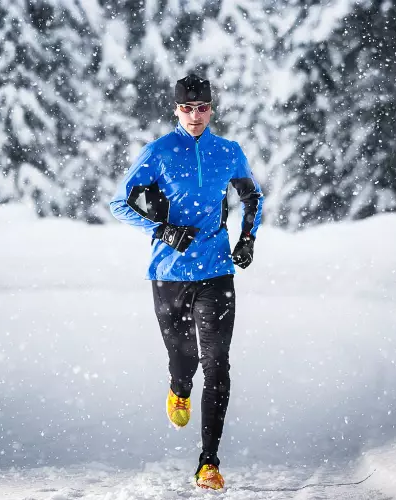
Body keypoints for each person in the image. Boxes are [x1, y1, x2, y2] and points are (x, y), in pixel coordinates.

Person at [109, 73, 263, 490]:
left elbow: (254, 197)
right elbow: (118, 203)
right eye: (187, 108)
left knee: (217, 364)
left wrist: (247, 239)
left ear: (212, 109)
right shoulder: (159, 152)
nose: (195, 116)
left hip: (216, 272)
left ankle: (208, 462)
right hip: (169, 274)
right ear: (176, 109)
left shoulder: (227, 152)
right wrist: (161, 231)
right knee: (187, 363)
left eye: (203, 108)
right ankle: (179, 386)